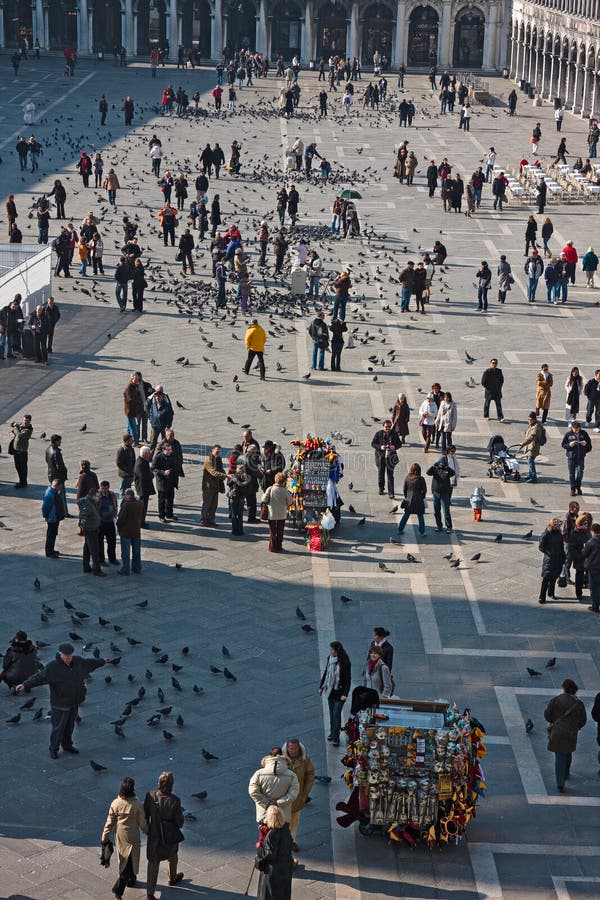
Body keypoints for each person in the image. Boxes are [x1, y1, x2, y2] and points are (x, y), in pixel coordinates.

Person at [16, 641, 107, 758]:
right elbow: (39, 677)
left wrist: (103, 661)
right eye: (66, 656)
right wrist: (25, 685)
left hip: (74, 701)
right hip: (60, 703)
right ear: (60, 654)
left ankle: (68, 745)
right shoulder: (53, 667)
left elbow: (90, 664)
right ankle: (53, 748)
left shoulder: (78, 661)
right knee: (58, 728)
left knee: (70, 726)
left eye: (70, 655)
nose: (68, 658)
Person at [101, 777, 148, 899]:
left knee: (124, 859)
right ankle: (118, 889)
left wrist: (104, 838)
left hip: (120, 836)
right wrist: (150, 832)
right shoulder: (137, 805)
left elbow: (109, 822)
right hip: (133, 836)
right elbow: (142, 823)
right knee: (131, 860)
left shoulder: (116, 803)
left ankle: (132, 878)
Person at [143, 772, 185, 897]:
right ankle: (172, 877)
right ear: (171, 785)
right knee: (173, 855)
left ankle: (150, 894)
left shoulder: (150, 796)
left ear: (159, 783)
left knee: (153, 863)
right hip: (169, 838)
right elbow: (180, 822)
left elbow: (145, 815)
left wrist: (148, 831)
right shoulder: (175, 800)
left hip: (154, 838)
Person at [544, 679, 587, 792]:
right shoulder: (579, 704)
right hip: (571, 733)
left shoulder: (555, 700)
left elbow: (548, 716)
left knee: (560, 757)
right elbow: (583, 721)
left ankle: (560, 782)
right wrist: (576, 727)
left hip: (557, 733)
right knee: (568, 752)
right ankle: (566, 772)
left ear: (564, 688)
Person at [280, 739, 315, 851]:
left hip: (298, 797)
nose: (293, 751)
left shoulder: (305, 760)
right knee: (283, 821)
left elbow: (310, 775)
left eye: (295, 748)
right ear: (287, 749)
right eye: (291, 749)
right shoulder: (281, 761)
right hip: (283, 798)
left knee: (294, 821)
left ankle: (292, 840)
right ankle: (282, 841)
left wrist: (305, 793)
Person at [254, 804, 295, 900]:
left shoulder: (272, 835)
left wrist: (259, 848)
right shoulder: (286, 830)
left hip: (273, 872)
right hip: (286, 868)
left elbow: (268, 855)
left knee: (269, 895)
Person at [249, 754, 300, 825]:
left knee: (265, 835)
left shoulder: (258, 774)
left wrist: (267, 803)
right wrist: (278, 802)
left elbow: (253, 791)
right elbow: (293, 794)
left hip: (264, 816)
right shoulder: (291, 775)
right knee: (284, 835)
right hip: (283, 818)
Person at [319, 641, 351, 747]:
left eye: (332, 650)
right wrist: (321, 686)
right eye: (330, 650)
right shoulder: (330, 658)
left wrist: (345, 694)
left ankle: (336, 738)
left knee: (336, 714)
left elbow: (347, 679)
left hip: (340, 692)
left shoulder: (345, 662)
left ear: (337, 650)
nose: (330, 651)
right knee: (332, 714)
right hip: (330, 690)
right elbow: (326, 672)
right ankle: (332, 733)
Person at [261, 471, 292, 553]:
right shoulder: (285, 491)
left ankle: (272, 546)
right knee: (280, 530)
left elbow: (264, 499)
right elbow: (290, 502)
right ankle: (279, 546)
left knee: (272, 531)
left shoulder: (270, 489)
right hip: (282, 514)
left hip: (272, 514)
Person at [538, 517, 566, 603]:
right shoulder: (546, 534)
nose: (560, 527)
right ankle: (542, 597)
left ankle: (551, 593)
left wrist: (563, 556)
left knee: (554, 577)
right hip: (549, 559)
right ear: (554, 525)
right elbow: (541, 547)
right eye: (559, 525)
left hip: (558, 559)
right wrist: (549, 553)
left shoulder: (559, 534)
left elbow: (561, 547)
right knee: (546, 578)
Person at [371, 420, 401, 498]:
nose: (387, 428)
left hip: (390, 458)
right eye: (386, 427)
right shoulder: (379, 434)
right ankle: (381, 488)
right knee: (381, 473)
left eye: (389, 427)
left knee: (390, 475)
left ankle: (391, 492)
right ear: (383, 426)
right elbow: (373, 443)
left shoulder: (394, 434)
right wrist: (380, 447)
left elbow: (399, 444)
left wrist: (394, 447)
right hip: (381, 457)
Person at [561, 420, 592, 496]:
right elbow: (563, 445)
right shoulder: (568, 434)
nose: (575, 430)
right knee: (571, 474)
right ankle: (573, 489)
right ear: (572, 427)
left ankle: (578, 487)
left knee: (580, 473)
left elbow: (589, 445)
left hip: (580, 457)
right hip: (571, 457)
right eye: (574, 429)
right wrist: (569, 445)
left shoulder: (584, 434)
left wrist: (585, 445)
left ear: (579, 428)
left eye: (577, 429)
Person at [201, 444, 226, 526]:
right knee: (207, 503)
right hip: (208, 486)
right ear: (212, 450)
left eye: (219, 451)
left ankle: (211, 519)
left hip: (216, 485)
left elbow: (221, 469)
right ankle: (204, 520)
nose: (218, 452)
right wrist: (225, 476)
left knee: (214, 504)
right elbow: (213, 472)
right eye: (216, 450)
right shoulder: (208, 460)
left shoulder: (218, 458)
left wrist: (225, 474)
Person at [427, 456, 453, 533]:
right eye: (440, 463)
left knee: (446, 511)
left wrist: (446, 467)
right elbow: (428, 472)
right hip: (436, 493)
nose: (441, 465)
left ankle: (449, 527)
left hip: (444, 493)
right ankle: (439, 526)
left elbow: (453, 473)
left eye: (442, 463)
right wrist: (434, 465)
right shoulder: (435, 469)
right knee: (436, 511)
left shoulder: (447, 470)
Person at [42, 478, 66, 558]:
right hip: (52, 518)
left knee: (53, 534)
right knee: (51, 535)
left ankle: (51, 549)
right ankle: (49, 552)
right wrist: (45, 516)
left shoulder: (54, 491)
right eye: (60, 486)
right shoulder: (49, 494)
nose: (61, 488)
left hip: (55, 517)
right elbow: (45, 507)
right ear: (57, 486)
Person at [147, 386, 174, 456]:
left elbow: (170, 416)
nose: (157, 399)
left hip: (163, 427)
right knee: (152, 443)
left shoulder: (166, 405)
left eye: (159, 397)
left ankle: (164, 455)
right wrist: (151, 420)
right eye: (156, 397)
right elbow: (150, 412)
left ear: (162, 397)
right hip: (155, 426)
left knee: (164, 443)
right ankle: (150, 457)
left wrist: (168, 426)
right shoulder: (153, 404)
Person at [520, 412, 545, 484]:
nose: (528, 421)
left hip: (533, 446)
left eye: (530, 419)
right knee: (529, 460)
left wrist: (523, 444)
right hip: (529, 445)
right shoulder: (532, 424)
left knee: (530, 461)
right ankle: (531, 474)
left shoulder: (536, 427)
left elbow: (532, 437)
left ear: (534, 419)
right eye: (528, 419)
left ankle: (533, 477)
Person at [10, 414, 32, 488]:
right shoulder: (21, 426)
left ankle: (23, 482)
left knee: (23, 467)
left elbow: (19, 435)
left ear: (30, 421)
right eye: (24, 420)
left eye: (27, 420)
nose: (25, 422)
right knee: (17, 466)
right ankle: (21, 481)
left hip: (22, 451)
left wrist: (16, 427)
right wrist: (14, 425)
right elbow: (13, 429)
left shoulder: (29, 429)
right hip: (16, 450)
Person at [583, 522, 600, 613]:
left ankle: (595, 606)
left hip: (593, 568)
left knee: (594, 587)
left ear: (593, 531)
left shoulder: (591, 541)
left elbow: (584, 553)